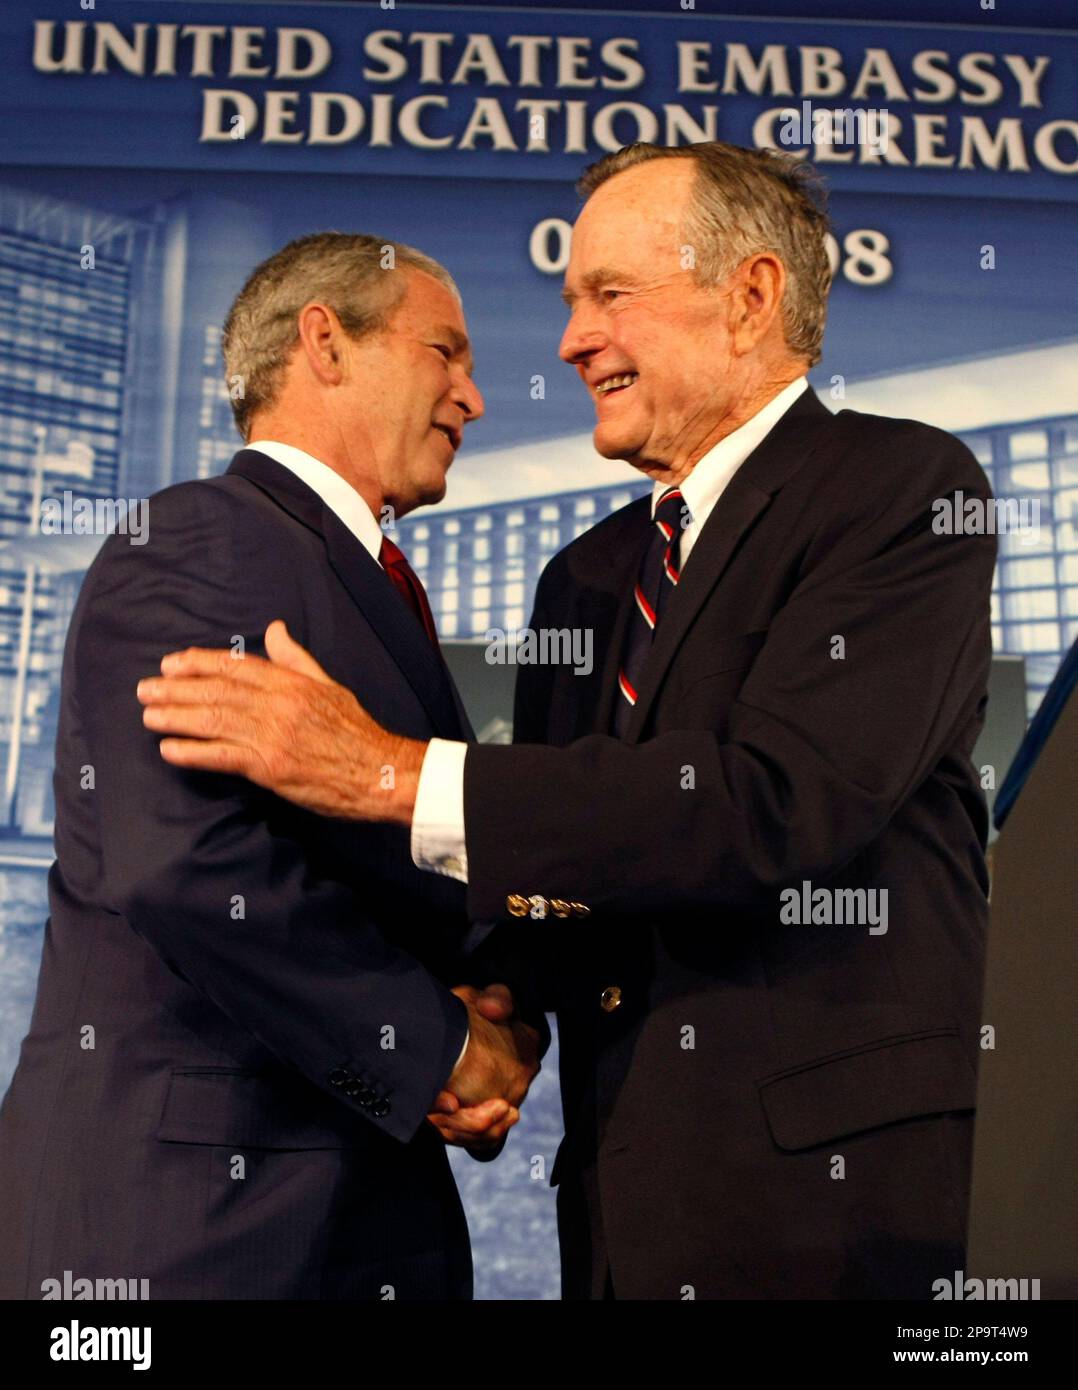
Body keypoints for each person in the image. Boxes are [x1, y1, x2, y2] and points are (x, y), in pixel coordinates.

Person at [137, 143, 998, 1300]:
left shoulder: (901, 491)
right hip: (616, 1206)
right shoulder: (584, 580)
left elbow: (774, 805)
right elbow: (562, 880)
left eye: (610, 296)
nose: (570, 341)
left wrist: (391, 777)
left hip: (828, 1214)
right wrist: (477, 1030)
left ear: (750, 297)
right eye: (568, 302)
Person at [0, 232, 541, 1301]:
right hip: (191, 1233)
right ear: (325, 343)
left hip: (340, 1219)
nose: (474, 397)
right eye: (447, 352)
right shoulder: (200, 539)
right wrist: (437, 1052)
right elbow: (189, 868)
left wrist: (506, 1023)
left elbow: (399, 878)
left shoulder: (363, 582)